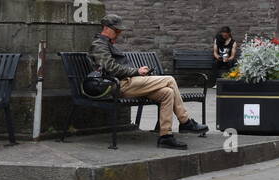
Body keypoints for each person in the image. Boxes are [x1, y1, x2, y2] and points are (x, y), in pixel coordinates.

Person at [88, 13, 208, 149]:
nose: (119, 33)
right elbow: (111, 68)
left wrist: (137, 71)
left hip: (128, 82)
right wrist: (136, 71)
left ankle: (165, 136)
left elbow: (118, 66)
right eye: (117, 30)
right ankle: (185, 121)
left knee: (167, 93)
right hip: (117, 85)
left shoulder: (107, 44)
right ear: (106, 28)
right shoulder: (99, 44)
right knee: (169, 79)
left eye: (119, 31)